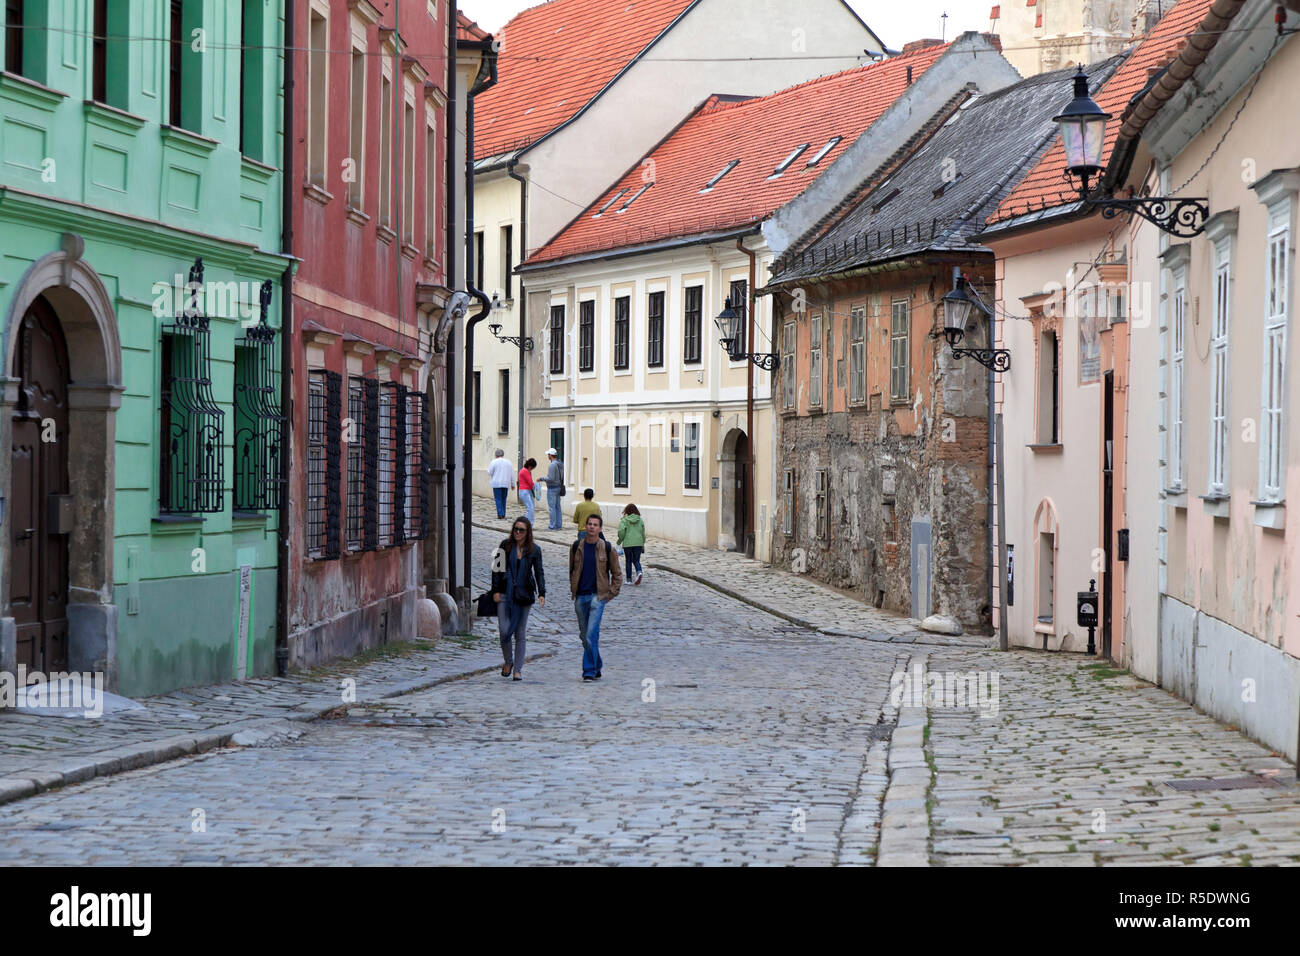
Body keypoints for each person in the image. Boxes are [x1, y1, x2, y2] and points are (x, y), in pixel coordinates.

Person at [569, 514, 622, 681]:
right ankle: (597, 663)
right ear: (586, 526)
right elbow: (572, 570)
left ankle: (589, 671)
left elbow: (617, 575)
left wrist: (609, 594)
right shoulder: (577, 546)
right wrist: (574, 588)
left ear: (600, 528)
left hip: (597, 597)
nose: (592, 527)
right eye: (590, 524)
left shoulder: (606, 548)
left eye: (595, 525)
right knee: (585, 636)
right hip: (580, 597)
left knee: (591, 633)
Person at [492, 517, 545, 681]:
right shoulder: (504, 545)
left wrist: (542, 592)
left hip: (524, 595)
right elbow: (496, 568)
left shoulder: (534, 550)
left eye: (521, 530)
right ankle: (508, 661)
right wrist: (495, 590)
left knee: (520, 632)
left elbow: (539, 572)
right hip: (505, 593)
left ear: (527, 532)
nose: (517, 532)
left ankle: (518, 670)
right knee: (504, 630)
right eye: (515, 529)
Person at [617, 503, 646, 585]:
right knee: (636, 560)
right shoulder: (640, 520)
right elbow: (643, 533)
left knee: (628, 561)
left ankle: (628, 580)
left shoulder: (624, 520)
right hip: (638, 543)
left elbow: (621, 532)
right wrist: (643, 543)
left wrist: (619, 541)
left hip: (628, 543)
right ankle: (639, 572)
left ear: (626, 511)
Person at [543, 448, 565, 530]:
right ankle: (559, 525)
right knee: (558, 507)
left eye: (548, 454)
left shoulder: (552, 465)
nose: (548, 456)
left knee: (552, 508)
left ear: (550, 455)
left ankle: (552, 525)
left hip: (552, 487)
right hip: (559, 486)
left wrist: (542, 479)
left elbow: (551, 478)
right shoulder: (560, 463)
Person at [487, 449, 513, 519]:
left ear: (496, 455)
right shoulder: (508, 462)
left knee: (498, 499)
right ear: (503, 454)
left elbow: (489, 472)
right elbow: (511, 474)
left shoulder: (494, 462)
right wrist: (512, 484)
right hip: (505, 483)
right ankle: (503, 513)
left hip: (496, 483)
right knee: (504, 499)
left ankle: (500, 514)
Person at [518, 458, 537, 525]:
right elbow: (530, 482)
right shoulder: (525, 471)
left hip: (526, 491)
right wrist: (536, 488)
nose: (532, 469)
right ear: (530, 466)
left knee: (530, 507)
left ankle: (526, 523)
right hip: (525, 491)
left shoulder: (525, 471)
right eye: (532, 468)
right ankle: (527, 523)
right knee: (530, 507)